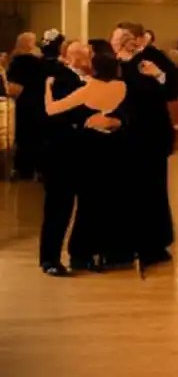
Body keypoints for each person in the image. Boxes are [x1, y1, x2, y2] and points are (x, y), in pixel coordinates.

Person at [43, 50, 129, 273]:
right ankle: (49, 259)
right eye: (80, 55)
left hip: (94, 152)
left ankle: (82, 254)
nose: (85, 59)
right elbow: (53, 114)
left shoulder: (100, 84)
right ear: (68, 58)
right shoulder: (58, 78)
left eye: (88, 55)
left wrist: (114, 120)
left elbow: (126, 112)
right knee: (59, 207)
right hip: (63, 152)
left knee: (90, 205)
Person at [113, 22, 178, 269]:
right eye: (118, 37)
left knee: (152, 190)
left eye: (127, 37)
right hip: (119, 136)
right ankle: (122, 246)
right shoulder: (112, 63)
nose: (122, 42)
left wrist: (158, 75)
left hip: (151, 136)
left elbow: (175, 88)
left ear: (140, 39)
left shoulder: (153, 59)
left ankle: (153, 245)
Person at [5, 32, 45, 180]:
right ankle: (33, 169)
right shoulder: (36, 62)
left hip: (23, 105)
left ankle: (23, 169)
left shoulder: (16, 62)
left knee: (24, 138)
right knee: (34, 138)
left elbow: (13, 88)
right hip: (36, 105)